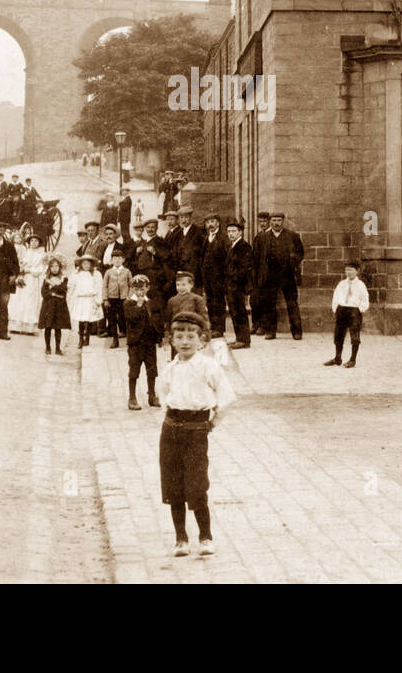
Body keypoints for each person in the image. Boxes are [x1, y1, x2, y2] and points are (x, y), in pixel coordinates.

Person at [158, 311, 235, 557]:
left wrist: (211, 423)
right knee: (173, 486)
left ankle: (205, 536)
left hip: (196, 430)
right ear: (172, 341)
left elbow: (226, 398)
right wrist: (171, 418)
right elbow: (163, 396)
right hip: (171, 430)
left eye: (191, 336)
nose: (185, 341)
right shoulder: (169, 369)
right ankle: (180, 538)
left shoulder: (209, 367)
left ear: (202, 340)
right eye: (179, 336)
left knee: (196, 484)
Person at [259, 213, 304, 340]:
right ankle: (270, 331)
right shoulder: (263, 237)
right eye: (274, 220)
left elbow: (300, 253)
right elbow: (257, 256)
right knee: (269, 304)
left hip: (287, 275)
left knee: (292, 303)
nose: (276, 223)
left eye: (279, 220)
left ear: (283, 221)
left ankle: (296, 331)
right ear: (270, 222)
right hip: (270, 275)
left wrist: (292, 262)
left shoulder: (292, 236)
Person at [124, 274, 162, 410]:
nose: (139, 292)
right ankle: (132, 397)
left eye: (142, 289)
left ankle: (152, 395)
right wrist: (139, 305)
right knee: (134, 370)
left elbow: (155, 321)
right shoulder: (129, 303)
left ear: (147, 288)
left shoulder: (150, 302)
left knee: (152, 370)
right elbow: (131, 317)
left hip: (149, 342)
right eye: (136, 289)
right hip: (136, 343)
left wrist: (159, 337)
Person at [326, 260, 370, 368]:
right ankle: (337, 358)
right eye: (346, 270)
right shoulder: (341, 284)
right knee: (338, 335)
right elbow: (335, 297)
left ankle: (352, 360)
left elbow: (365, 300)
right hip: (342, 310)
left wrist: (359, 309)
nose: (348, 272)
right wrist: (336, 308)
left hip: (354, 311)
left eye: (351, 270)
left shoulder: (360, 285)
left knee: (354, 336)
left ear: (357, 271)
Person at [223, 220, 253, 349]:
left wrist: (234, 280)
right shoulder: (233, 245)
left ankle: (243, 340)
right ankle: (239, 338)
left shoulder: (243, 246)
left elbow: (244, 268)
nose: (231, 234)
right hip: (231, 285)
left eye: (234, 231)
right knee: (234, 311)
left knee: (239, 311)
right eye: (229, 231)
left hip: (238, 285)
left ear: (240, 232)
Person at [200, 214, 229, 339]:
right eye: (208, 222)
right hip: (208, 277)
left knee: (219, 302)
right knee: (210, 302)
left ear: (218, 223)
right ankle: (213, 326)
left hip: (219, 278)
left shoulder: (223, 238)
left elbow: (227, 259)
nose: (210, 224)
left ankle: (220, 329)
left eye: (213, 221)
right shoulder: (207, 237)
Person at [15, 233, 47, 336]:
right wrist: (21, 268)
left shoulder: (42, 254)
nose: (33, 243)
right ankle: (18, 325)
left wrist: (28, 269)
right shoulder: (27, 252)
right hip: (24, 279)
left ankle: (30, 326)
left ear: (39, 243)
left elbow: (41, 269)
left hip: (33, 280)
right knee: (20, 300)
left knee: (31, 301)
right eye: (32, 241)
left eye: (36, 241)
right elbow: (22, 262)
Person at [39, 255, 71, 356]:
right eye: (52, 266)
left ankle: (58, 348)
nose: (54, 268)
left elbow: (63, 290)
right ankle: (48, 347)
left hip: (59, 306)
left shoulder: (63, 278)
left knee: (58, 327)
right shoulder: (46, 279)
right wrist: (52, 293)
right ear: (49, 268)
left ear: (60, 267)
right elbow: (44, 293)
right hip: (48, 305)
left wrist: (53, 288)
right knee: (48, 327)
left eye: (57, 266)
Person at [69, 254, 102, 348]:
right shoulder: (77, 274)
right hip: (81, 299)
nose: (86, 266)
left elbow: (98, 287)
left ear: (91, 265)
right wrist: (71, 295)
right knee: (81, 320)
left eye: (88, 264)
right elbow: (72, 285)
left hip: (90, 299)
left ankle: (87, 337)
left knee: (89, 319)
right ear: (81, 264)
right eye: (84, 264)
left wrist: (97, 299)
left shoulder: (96, 274)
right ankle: (80, 339)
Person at [103, 247, 131, 349]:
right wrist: (105, 299)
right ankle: (115, 340)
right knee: (112, 320)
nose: (117, 260)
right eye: (115, 258)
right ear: (112, 260)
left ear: (123, 260)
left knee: (125, 318)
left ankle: (129, 339)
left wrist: (129, 297)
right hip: (112, 298)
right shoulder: (108, 272)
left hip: (124, 299)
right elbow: (104, 286)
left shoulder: (127, 271)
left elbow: (131, 285)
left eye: (119, 258)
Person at [250, 211, 272, 335]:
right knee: (254, 300)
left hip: (268, 274)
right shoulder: (259, 236)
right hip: (257, 274)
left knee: (266, 301)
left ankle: (264, 326)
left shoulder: (270, 236)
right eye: (260, 222)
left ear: (268, 222)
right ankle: (256, 324)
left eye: (264, 221)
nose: (262, 224)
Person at [175, 206, 206, 286]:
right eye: (181, 217)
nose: (184, 220)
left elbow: (202, 252)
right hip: (182, 271)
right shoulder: (178, 233)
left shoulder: (198, 232)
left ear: (190, 217)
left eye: (186, 217)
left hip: (194, 271)